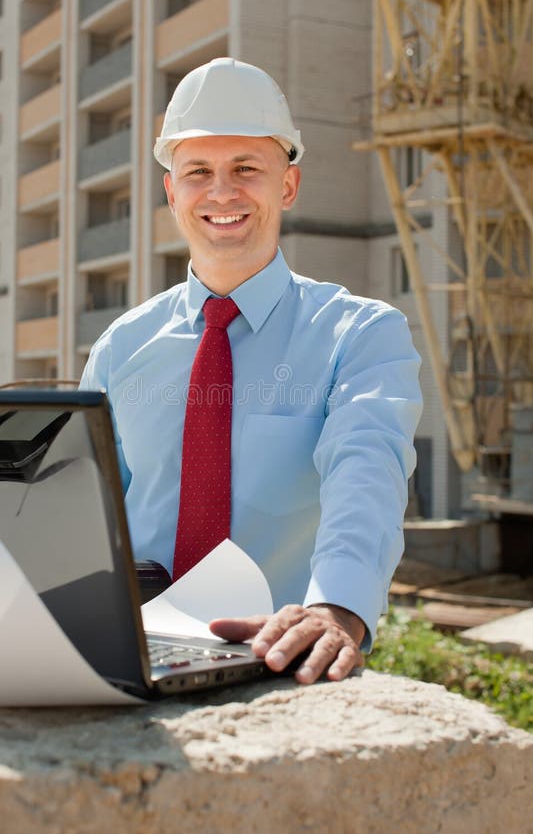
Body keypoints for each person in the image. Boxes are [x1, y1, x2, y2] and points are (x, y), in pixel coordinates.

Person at [80, 57, 422, 685]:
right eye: (198, 173)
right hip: (131, 658)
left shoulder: (363, 335)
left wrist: (337, 610)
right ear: (171, 191)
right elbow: (84, 514)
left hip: (283, 663)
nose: (221, 192)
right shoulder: (119, 347)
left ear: (287, 186)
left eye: (246, 169)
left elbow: (367, 471)